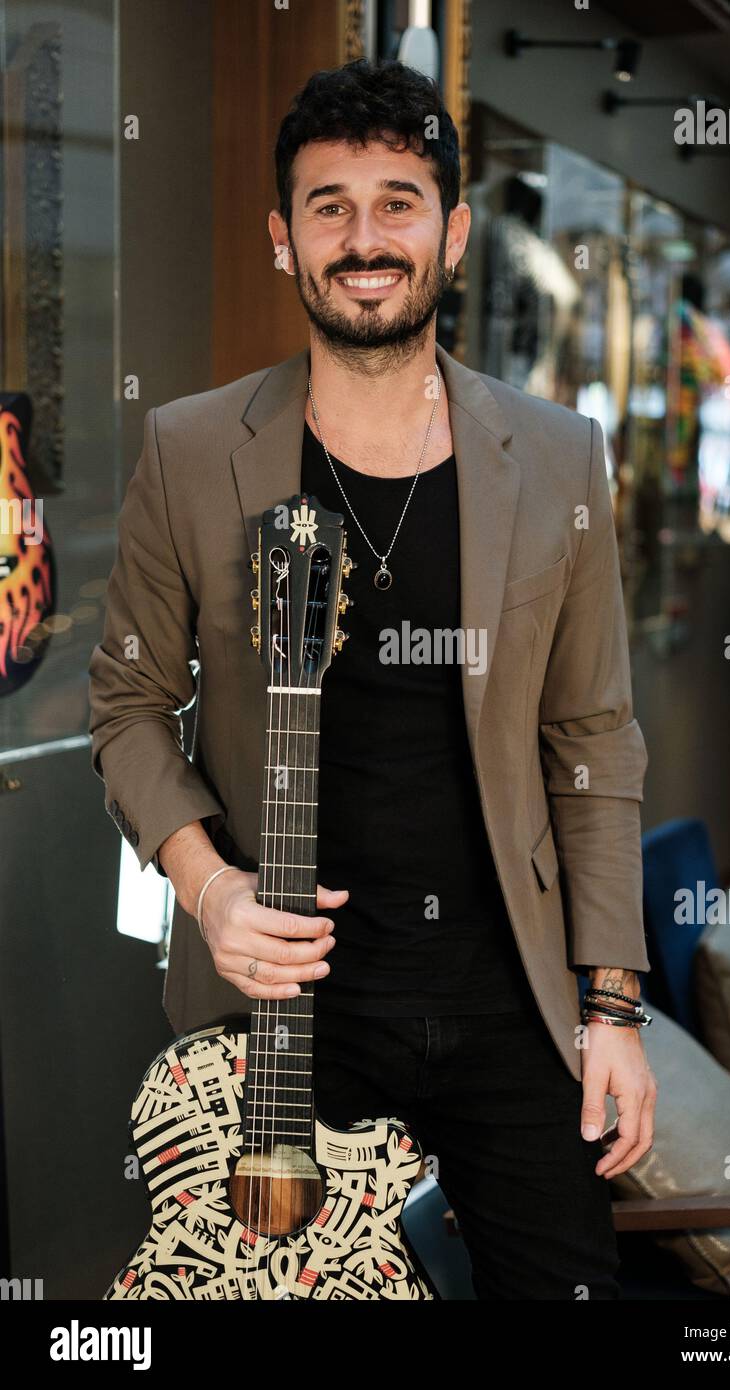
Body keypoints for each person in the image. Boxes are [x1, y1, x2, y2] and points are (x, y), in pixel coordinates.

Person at [89, 58, 656, 1300]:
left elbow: (592, 737)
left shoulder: (558, 459)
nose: (363, 238)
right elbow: (127, 705)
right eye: (328, 205)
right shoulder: (192, 448)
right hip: (284, 1022)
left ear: (450, 233)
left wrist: (613, 1006)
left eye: (396, 201)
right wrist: (209, 889)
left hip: (509, 1000)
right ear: (282, 240)